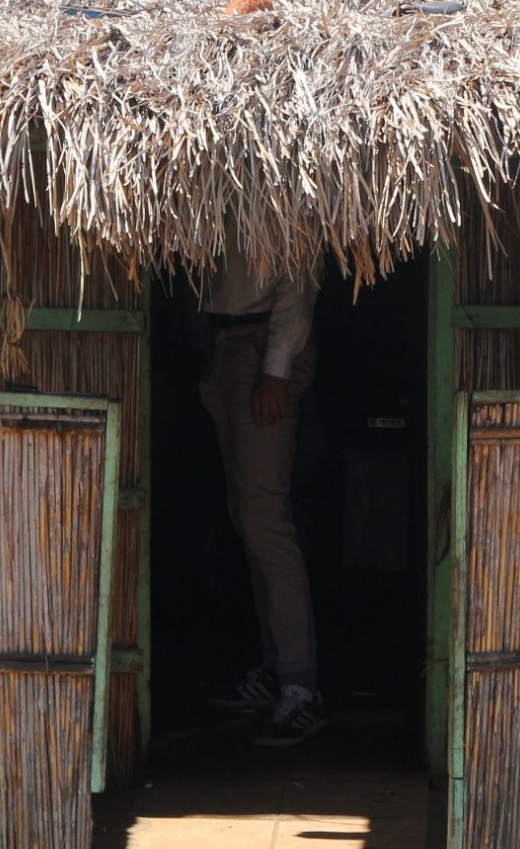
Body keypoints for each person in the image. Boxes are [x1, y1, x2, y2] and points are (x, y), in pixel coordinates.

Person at [198, 250, 325, 746]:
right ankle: (278, 671)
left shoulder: (281, 177)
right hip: (230, 343)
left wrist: (276, 368)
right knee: (247, 515)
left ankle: (301, 685)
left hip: (261, 346)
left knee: (265, 519)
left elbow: (299, 275)